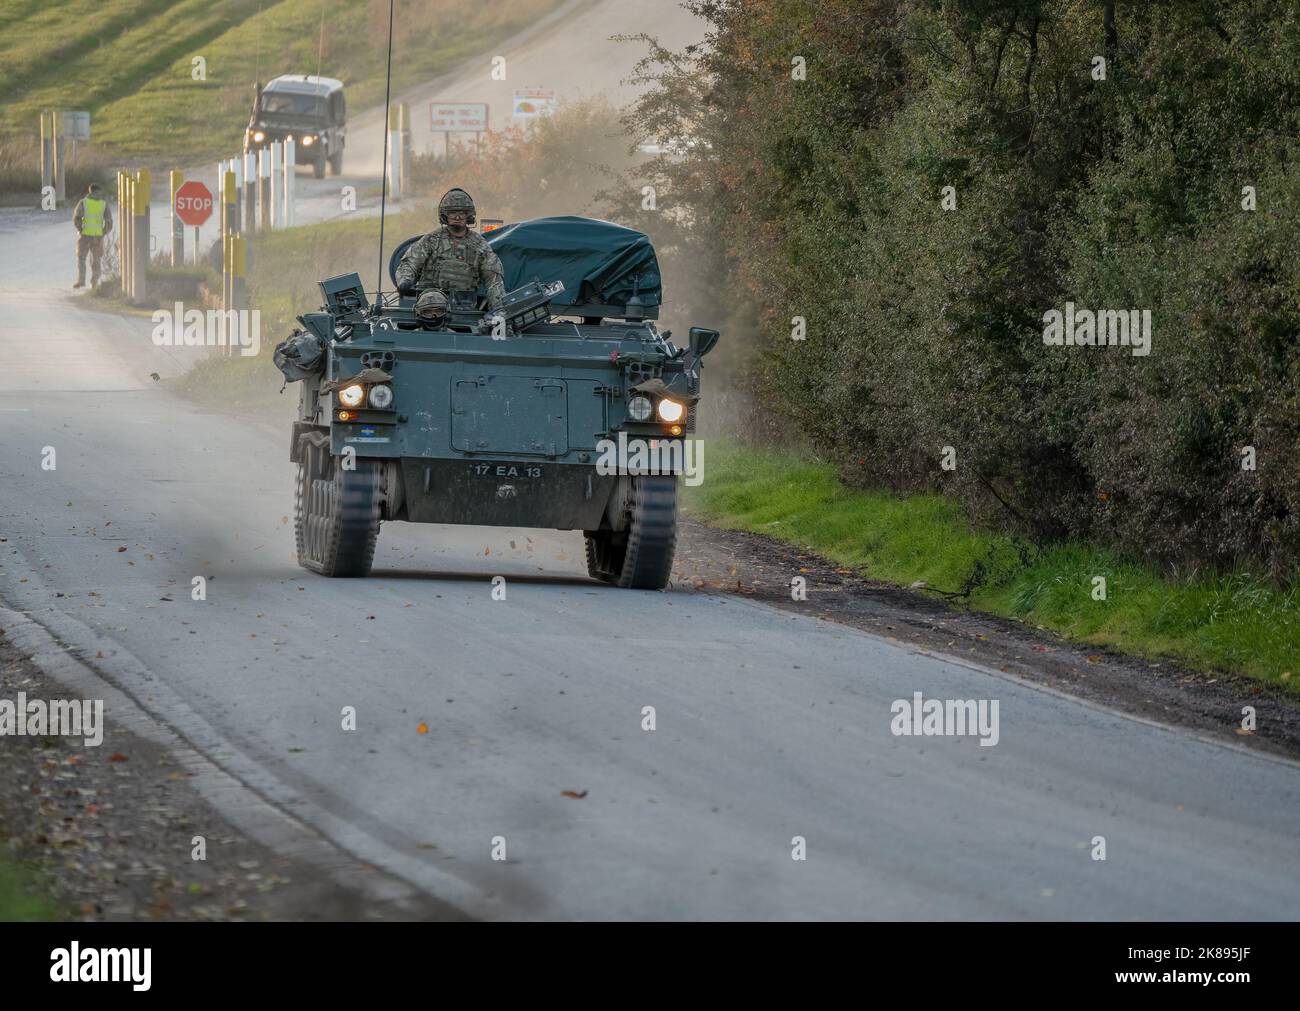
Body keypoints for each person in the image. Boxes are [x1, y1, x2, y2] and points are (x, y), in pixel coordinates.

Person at [394, 188, 505, 309]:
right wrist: (405, 281)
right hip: (429, 306)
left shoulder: (480, 246)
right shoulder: (431, 240)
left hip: (465, 308)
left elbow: (493, 280)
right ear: (444, 215)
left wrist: (498, 309)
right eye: (452, 212)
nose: (457, 217)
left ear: (469, 215)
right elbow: (410, 263)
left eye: (462, 213)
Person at [73, 183, 112, 289]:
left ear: (90, 191)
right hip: (98, 237)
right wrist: (104, 232)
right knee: (96, 260)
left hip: (85, 235)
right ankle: (94, 282)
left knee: (81, 258)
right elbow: (109, 221)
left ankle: (81, 280)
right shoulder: (104, 204)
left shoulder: (83, 202)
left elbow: (76, 218)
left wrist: (80, 229)